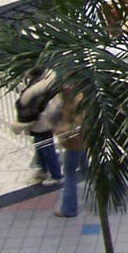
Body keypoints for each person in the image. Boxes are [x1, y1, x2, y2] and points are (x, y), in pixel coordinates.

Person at [13, 67, 63, 186]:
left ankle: (56, 175)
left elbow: (27, 106)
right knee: (40, 147)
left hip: (42, 122)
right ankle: (42, 170)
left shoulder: (37, 89)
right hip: (44, 120)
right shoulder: (47, 82)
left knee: (47, 149)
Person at [53, 84, 86, 218]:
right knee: (86, 169)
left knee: (69, 174)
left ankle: (69, 208)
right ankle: (105, 195)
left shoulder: (76, 100)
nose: (66, 86)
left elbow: (78, 127)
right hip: (80, 143)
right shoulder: (69, 97)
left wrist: (60, 130)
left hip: (75, 144)